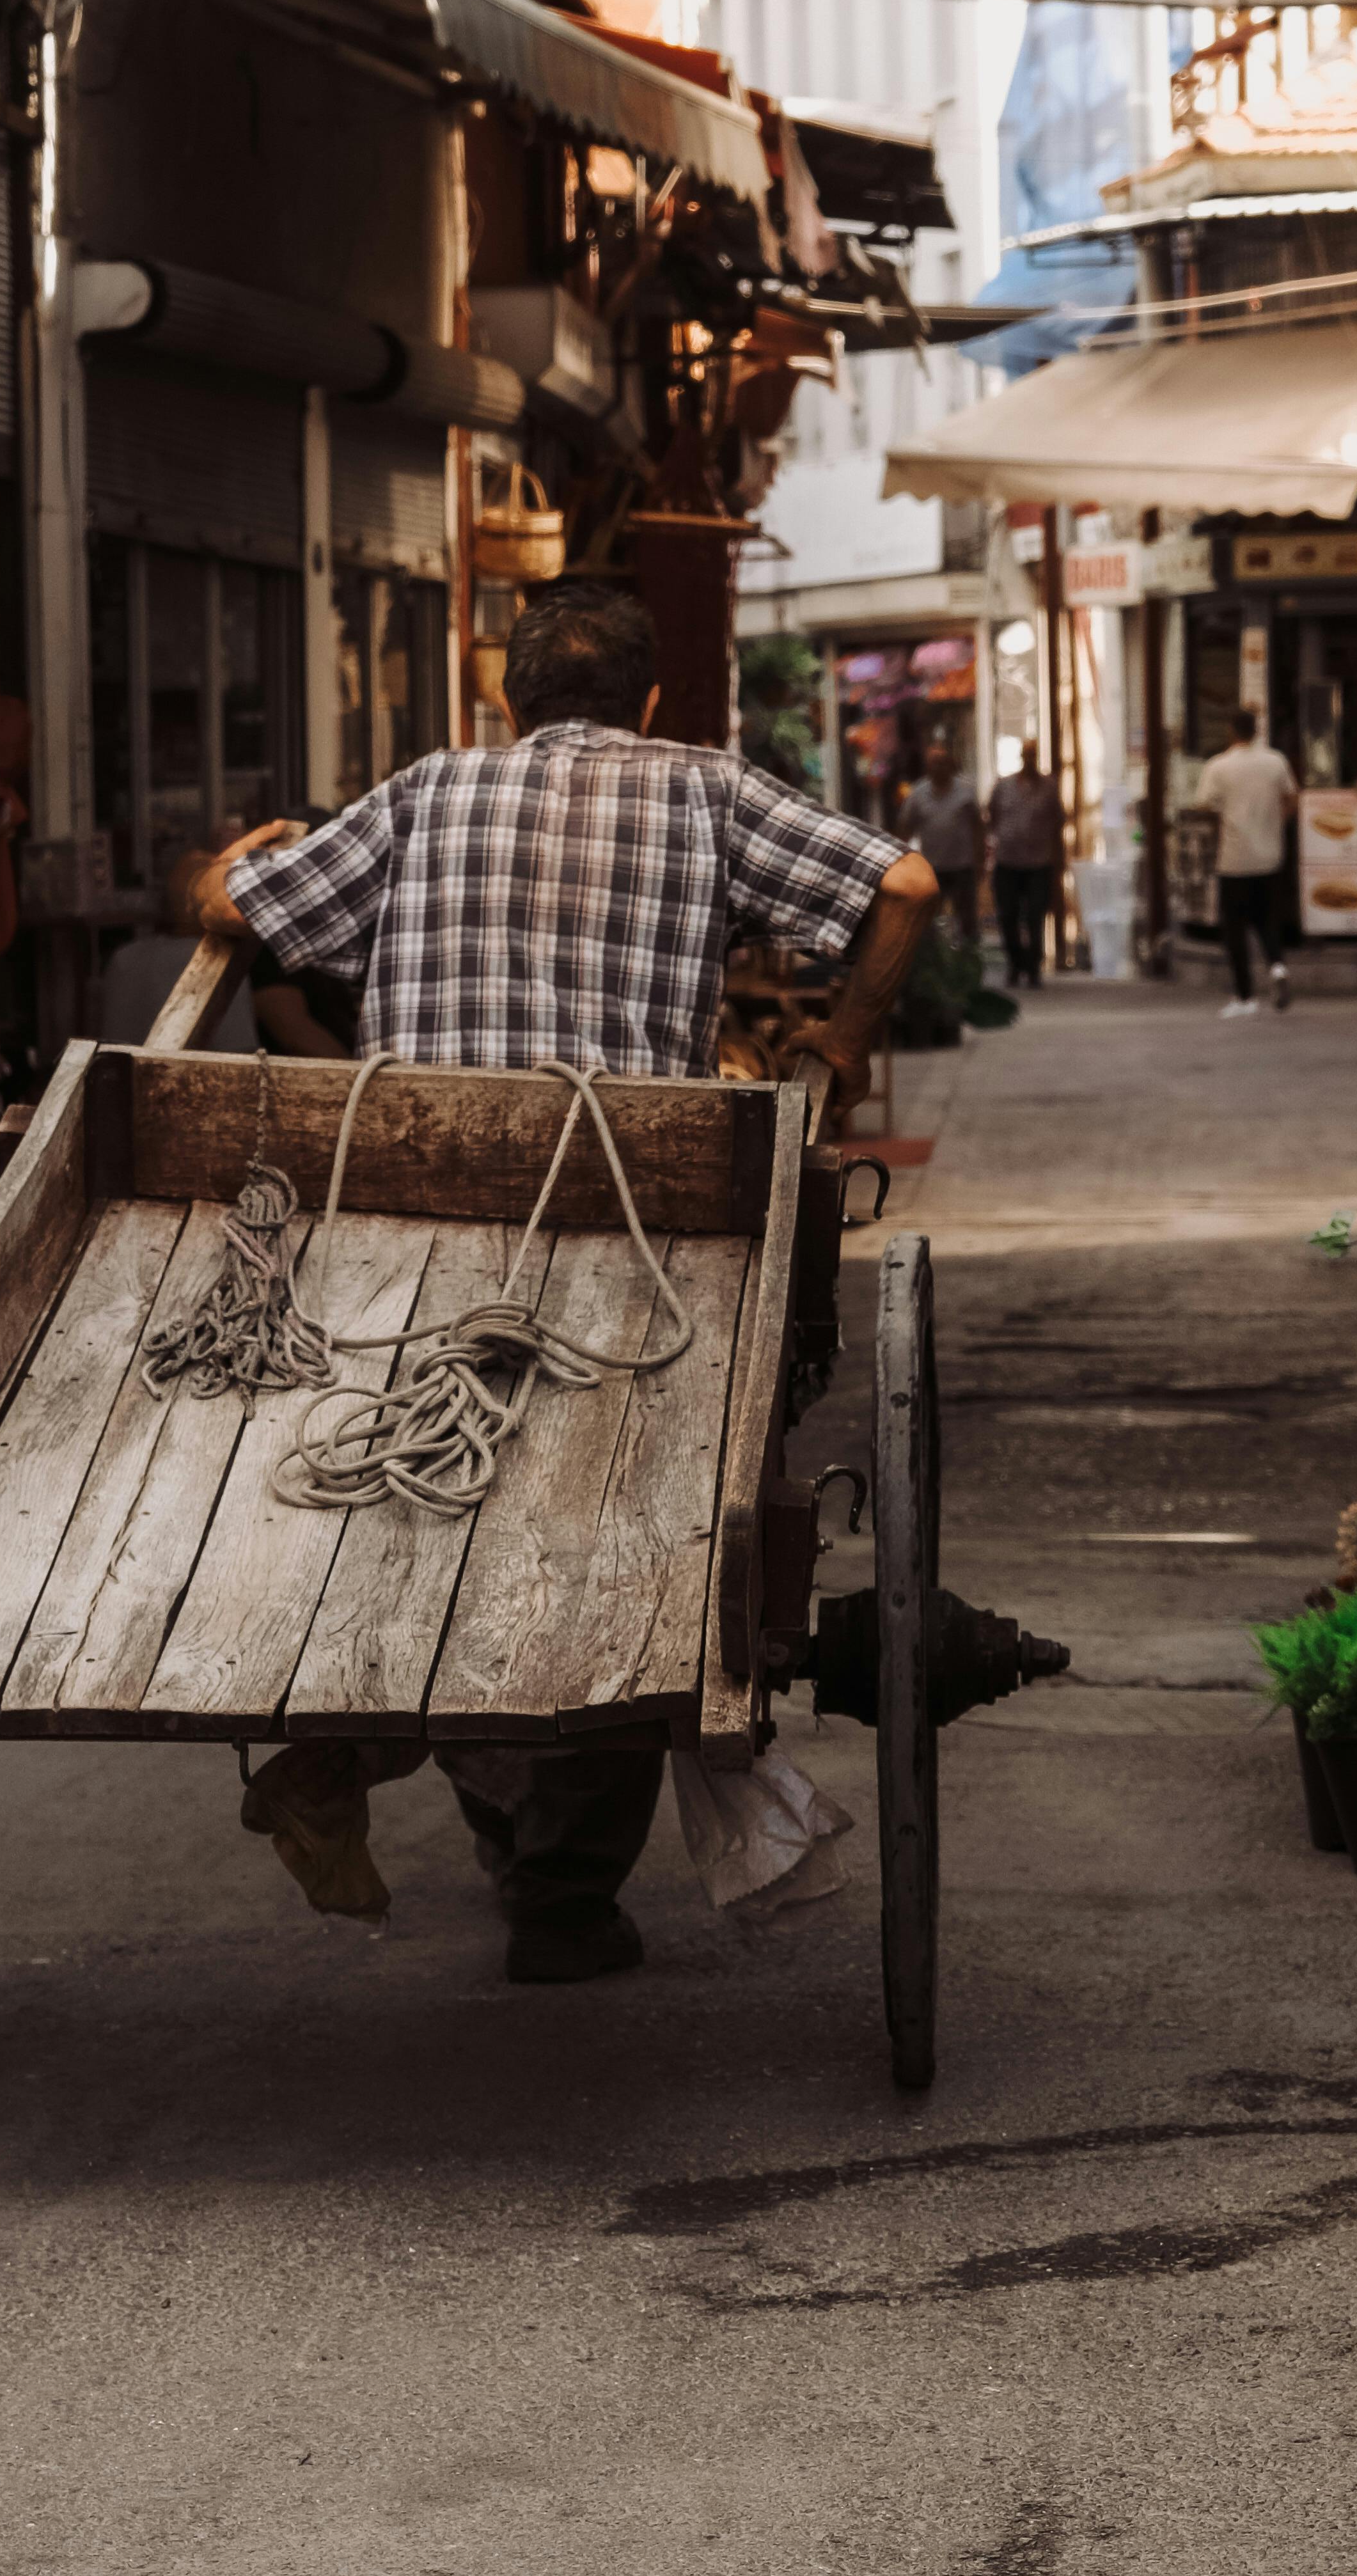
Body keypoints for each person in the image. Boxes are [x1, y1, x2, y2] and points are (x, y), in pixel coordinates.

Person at [178, 574, 937, 1988]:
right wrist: (833, 1045)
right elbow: (904, 885)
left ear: (505, 703)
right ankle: (557, 1892)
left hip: (406, 1223)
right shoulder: (705, 789)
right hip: (630, 1227)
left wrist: (228, 859)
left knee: (418, 1480)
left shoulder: (427, 788)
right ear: (651, 702)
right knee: (619, 1525)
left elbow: (232, 907)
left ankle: (405, 1773)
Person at [1196, 705, 1297, 1015]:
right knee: (1267, 919)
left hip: (1235, 858)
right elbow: (1292, 797)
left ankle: (1245, 997)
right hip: (1270, 855)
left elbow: (1203, 805)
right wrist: (1276, 823)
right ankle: (1278, 967)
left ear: (1231, 731)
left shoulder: (1220, 766)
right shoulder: (1275, 761)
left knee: (1235, 929)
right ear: (1257, 730)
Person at [987, 739, 1063, 989]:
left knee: (1035, 916)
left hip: (1039, 862)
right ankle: (1015, 963)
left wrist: (1058, 860)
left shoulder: (1049, 788)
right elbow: (992, 816)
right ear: (1021, 757)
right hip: (1008, 861)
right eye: (1026, 755)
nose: (1029, 759)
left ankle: (1033, 968)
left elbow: (1057, 823)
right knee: (1007, 915)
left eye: (1033, 755)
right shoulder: (1003, 786)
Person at [902, 736, 984, 941]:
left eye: (943, 763)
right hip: (932, 867)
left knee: (967, 920)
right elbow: (906, 828)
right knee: (929, 921)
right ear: (928, 767)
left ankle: (969, 960)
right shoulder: (918, 794)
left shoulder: (966, 792)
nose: (939, 768)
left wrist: (980, 859)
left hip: (962, 866)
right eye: (935, 763)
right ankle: (934, 962)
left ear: (951, 765)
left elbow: (978, 827)